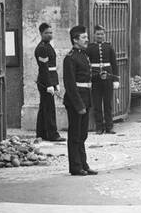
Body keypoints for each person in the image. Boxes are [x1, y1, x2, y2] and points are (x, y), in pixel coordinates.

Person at [62, 25, 97, 176]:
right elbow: (70, 85)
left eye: (86, 37)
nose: (87, 39)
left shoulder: (83, 55)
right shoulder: (70, 58)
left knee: (83, 135)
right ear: (75, 40)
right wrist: (79, 105)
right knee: (75, 135)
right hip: (76, 102)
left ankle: (83, 164)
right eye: (83, 37)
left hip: (85, 99)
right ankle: (75, 167)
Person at [86, 25, 118, 134]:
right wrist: (89, 79)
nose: (100, 36)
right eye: (98, 34)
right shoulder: (89, 48)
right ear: (94, 35)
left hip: (108, 78)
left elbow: (114, 64)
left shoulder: (109, 47)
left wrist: (116, 79)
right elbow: (87, 65)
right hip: (95, 78)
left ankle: (109, 126)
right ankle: (99, 127)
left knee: (108, 103)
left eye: (102, 34)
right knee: (97, 103)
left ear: (105, 35)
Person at [34, 22, 62, 142]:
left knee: (44, 107)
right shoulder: (41, 48)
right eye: (47, 33)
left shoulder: (48, 46)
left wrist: (56, 83)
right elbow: (44, 68)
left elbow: (52, 67)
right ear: (41, 33)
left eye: (51, 32)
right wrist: (49, 84)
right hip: (45, 81)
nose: (49, 35)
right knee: (49, 108)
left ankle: (42, 133)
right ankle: (52, 134)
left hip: (50, 79)